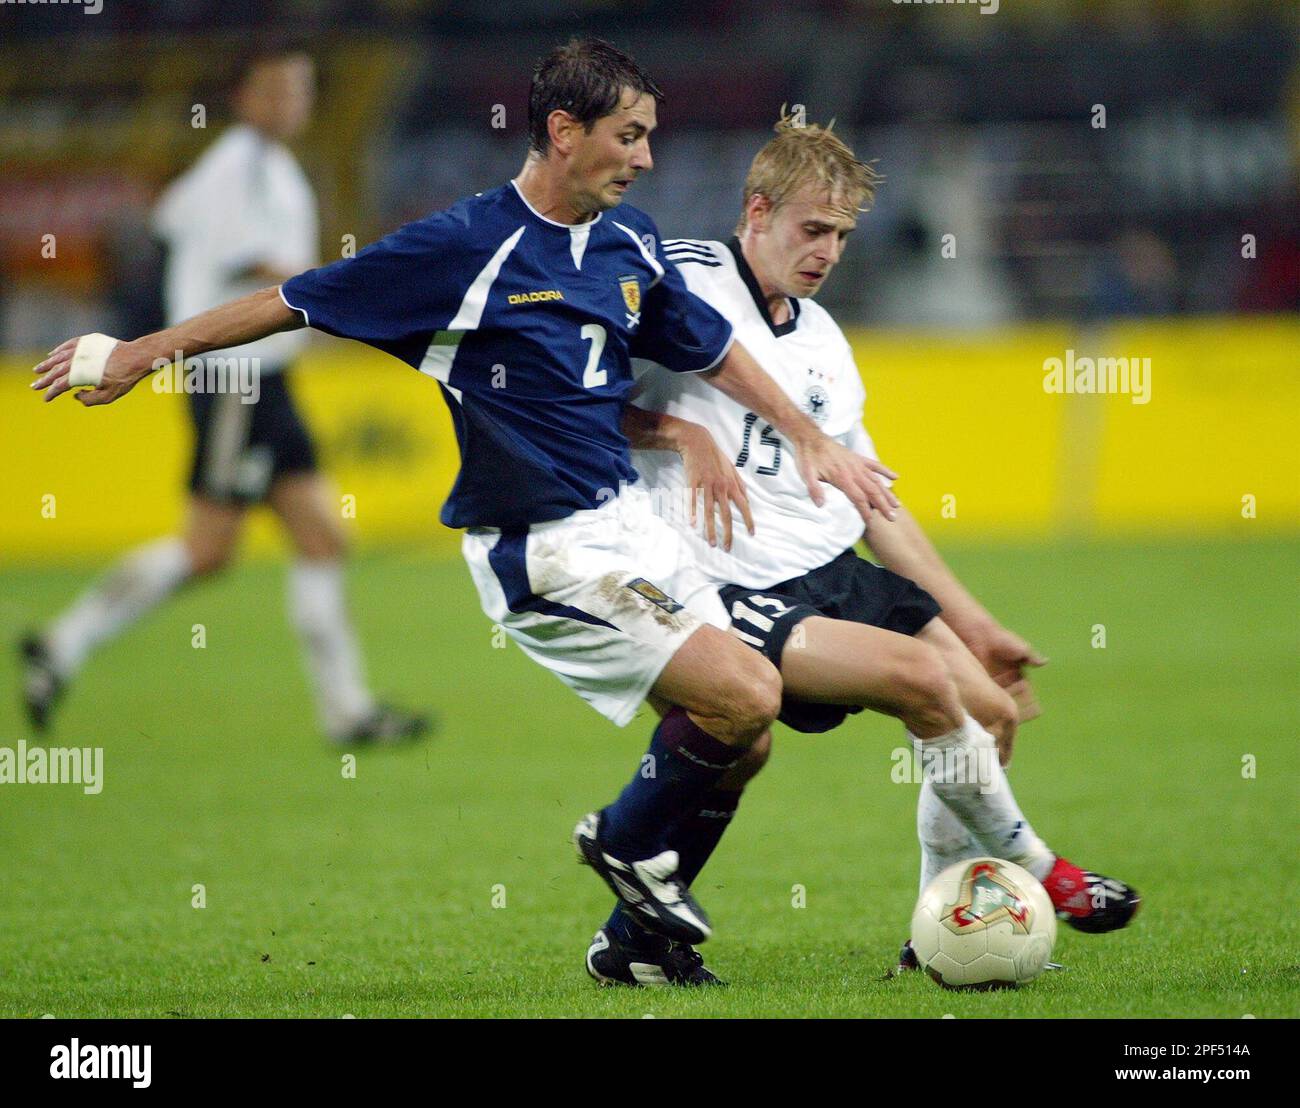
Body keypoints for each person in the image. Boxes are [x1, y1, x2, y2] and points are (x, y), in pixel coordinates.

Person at [31, 40, 900, 953]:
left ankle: (636, 950)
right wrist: (138, 353)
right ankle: (623, 840)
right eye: (630, 135)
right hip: (544, 547)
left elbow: (712, 350)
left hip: (633, 530)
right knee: (747, 695)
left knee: (739, 739)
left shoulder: (628, 241)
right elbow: (291, 299)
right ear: (565, 132)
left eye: (649, 136)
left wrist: (799, 436)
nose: (647, 158)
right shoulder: (463, 248)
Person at [597, 114, 1138, 986]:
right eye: (813, 229)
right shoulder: (679, 282)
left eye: (843, 235)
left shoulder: (823, 341)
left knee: (988, 714)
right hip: (724, 580)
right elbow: (574, 391)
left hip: (831, 570)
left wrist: (977, 622)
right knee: (917, 686)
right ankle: (1046, 871)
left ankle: (933, 938)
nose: (828, 252)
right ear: (757, 210)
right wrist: (673, 436)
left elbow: (873, 504)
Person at [21, 46, 429, 746]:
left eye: (299, 89)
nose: (290, 103)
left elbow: (170, 221)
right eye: (274, 90)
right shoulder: (238, 168)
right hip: (233, 377)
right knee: (209, 548)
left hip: (267, 378)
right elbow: (259, 265)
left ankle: (348, 714)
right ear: (241, 98)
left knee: (322, 536)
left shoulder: (257, 167)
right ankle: (64, 642)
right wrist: (357, 289)